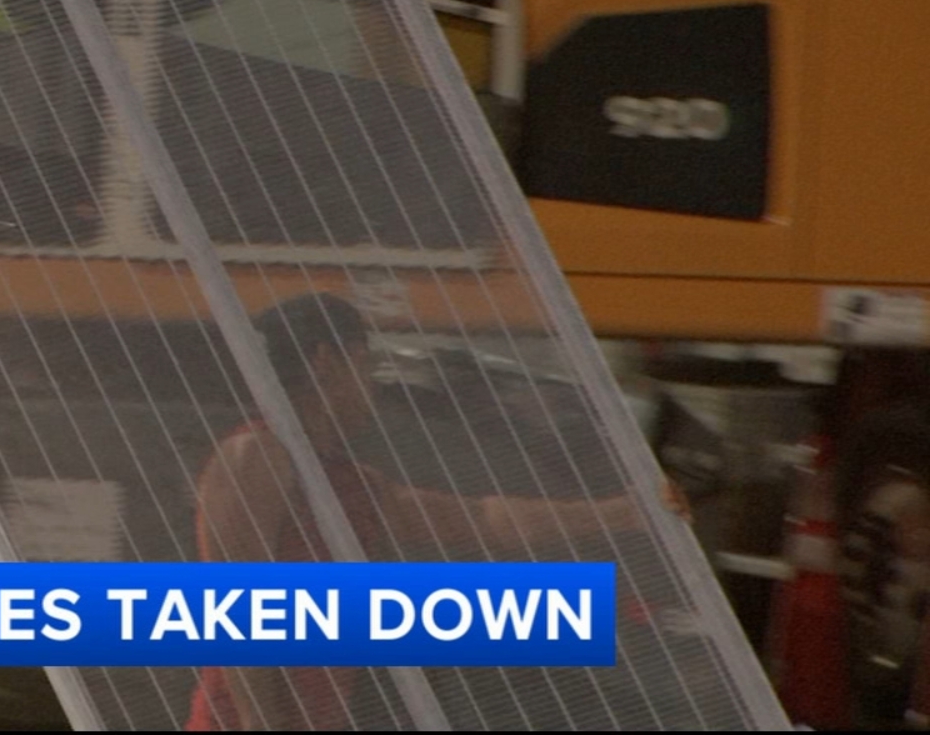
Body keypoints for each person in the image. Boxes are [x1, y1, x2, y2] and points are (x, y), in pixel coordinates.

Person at [185, 292, 691, 732]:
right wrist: (262, 724)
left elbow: (484, 520)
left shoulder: (346, 483)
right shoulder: (257, 454)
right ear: (325, 362)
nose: (373, 384)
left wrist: (625, 512)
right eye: (366, 364)